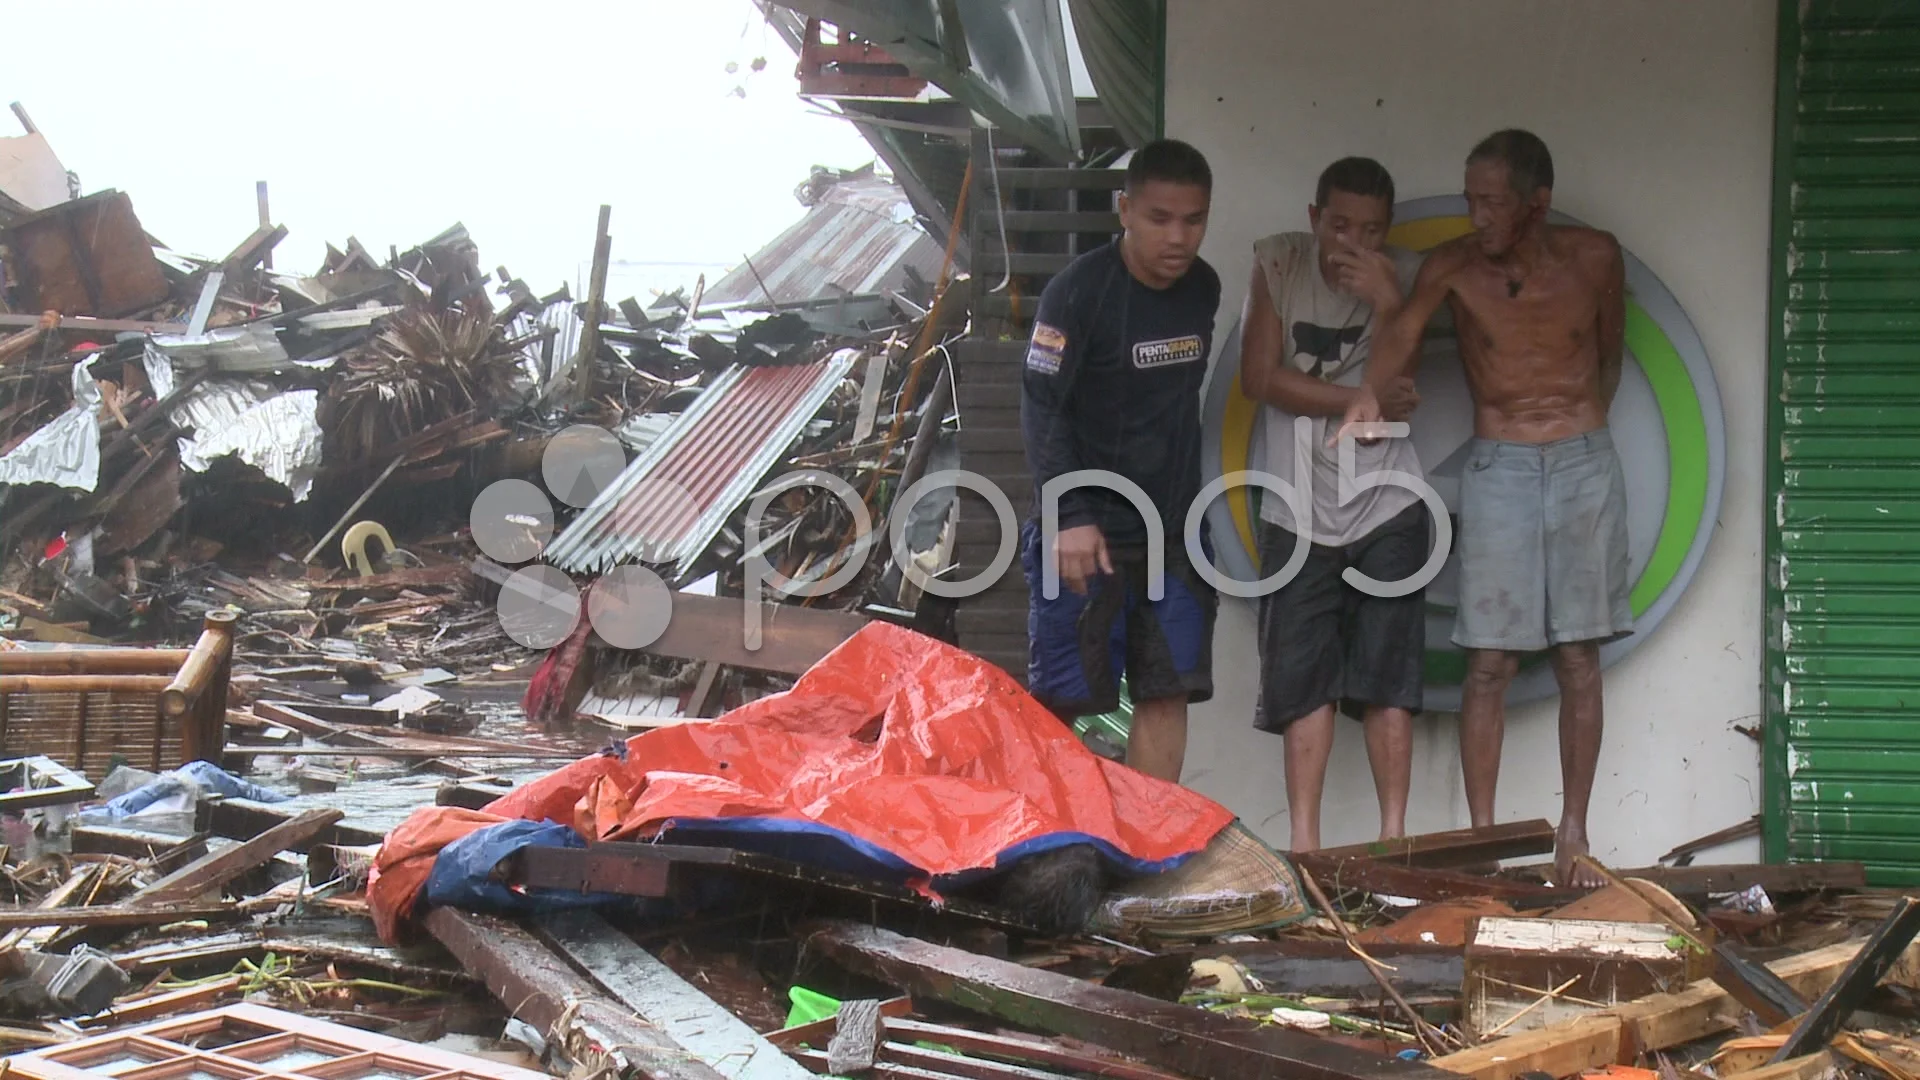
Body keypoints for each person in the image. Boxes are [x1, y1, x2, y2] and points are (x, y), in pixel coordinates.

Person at [1338, 129, 1628, 886]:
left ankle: (1575, 834)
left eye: (1493, 202)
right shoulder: (1453, 266)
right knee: (1488, 662)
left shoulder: (1595, 257)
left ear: (1538, 203)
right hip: (1498, 461)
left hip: (1583, 459)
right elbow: (1401, 338)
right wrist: (1368, 390)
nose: (1479, 216)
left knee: (1578, 656)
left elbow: (1608, 357)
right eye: (1472, 199)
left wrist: (1573, 437)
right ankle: (1485, 843)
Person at [1238, 157, 1431, 852]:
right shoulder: (1280, 262)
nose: (1354, 242)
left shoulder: (1403, 277)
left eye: (1371, 230)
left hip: (1387, 501)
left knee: (1388, 679)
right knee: (1302, 682)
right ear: (1315, 218)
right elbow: (1259, 377)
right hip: (1295, 505)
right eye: (1341, 225)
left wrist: (1389, 306)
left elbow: (1394, 391)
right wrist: (1357, 398)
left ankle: (1394, 846)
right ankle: (1306, 851)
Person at [1019, 138, 1222, 784]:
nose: (1178, 238)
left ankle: (1147, 834)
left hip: (1174, 536)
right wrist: (1069, 515)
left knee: (1169, 690)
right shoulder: (1075, 294)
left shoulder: (1204, 288)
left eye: (1193, 220)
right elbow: (1041, 407)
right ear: (1124, 209)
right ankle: (1054, 832)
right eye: (1160, 218)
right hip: (1086, 532)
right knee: (1065, 698)